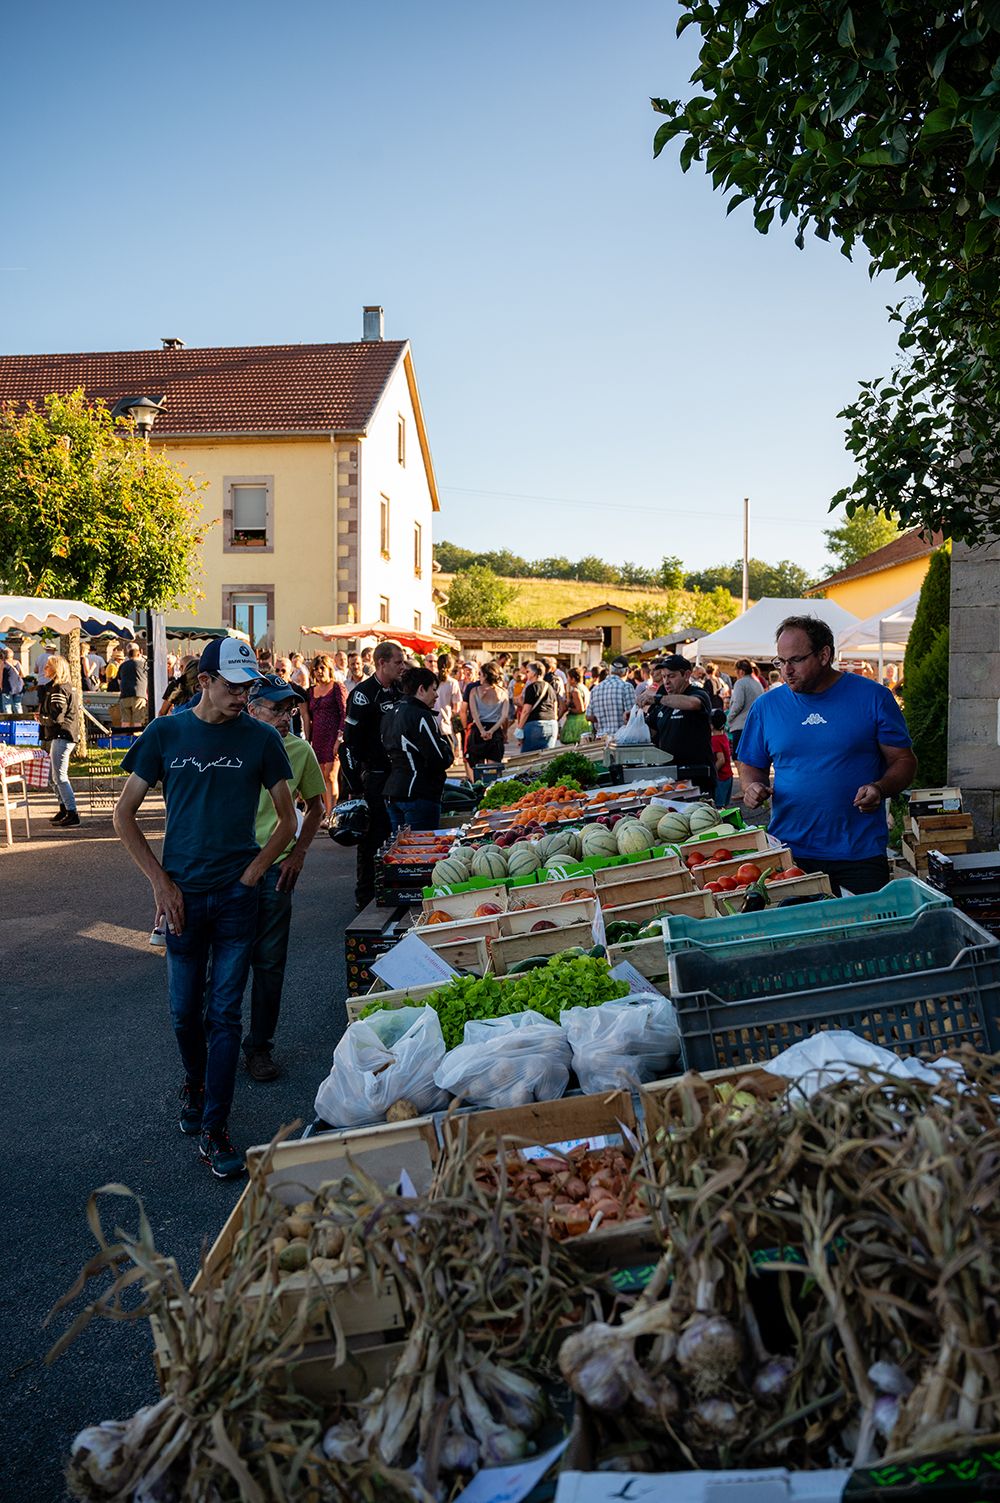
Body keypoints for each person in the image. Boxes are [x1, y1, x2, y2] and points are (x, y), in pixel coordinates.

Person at [113, 637, 295, 1179]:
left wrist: (253, 874)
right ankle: (194, 1084)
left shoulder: (262, 738)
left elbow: (288, 818)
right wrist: (160, 883)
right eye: (233, 686)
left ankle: (216, 1128)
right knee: (182, 1012)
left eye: (248, 687)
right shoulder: (166, 733)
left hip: (238, 898)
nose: (242, 696)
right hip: (182, 899)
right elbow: (124, 814)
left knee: (225, 1015)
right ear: (205, 682)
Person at [737, 614, 916, 895]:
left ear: (824, 655)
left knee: (865, 923)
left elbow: (903, 761)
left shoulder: (873, 697)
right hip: (789, 852)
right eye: (780, 662)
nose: (787, 671)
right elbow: (750, 764)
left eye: (796, 660)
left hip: (859, 854)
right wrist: (752, 786)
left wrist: (880, 788)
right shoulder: (766, 707)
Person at [243, 674, 326, 1081]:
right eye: (276, 709)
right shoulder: (232, 745)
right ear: (252, 709)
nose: (285, 717)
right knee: (223, 963)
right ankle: (215, 1046)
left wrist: (300, 854)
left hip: (276, 870)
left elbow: (316, 806)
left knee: (270, 963)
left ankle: (260, 1046)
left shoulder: (299, 749)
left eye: (290, 709)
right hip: (230, 869)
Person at [340, 639, 405, 908]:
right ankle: (365, 895)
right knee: (372, 838)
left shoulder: (401, 690)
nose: (403, 667)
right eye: (398, 662)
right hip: (375, 776)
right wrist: (355, 786)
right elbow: (348, 745)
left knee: (398, 834)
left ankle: (395, 888)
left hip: (398, 774)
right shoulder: (363, 694)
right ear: (382, 663)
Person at [383, 666, 454, 830]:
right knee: (421, 844)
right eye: (434, 689)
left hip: (394, 792)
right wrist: (446, 747)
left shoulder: (390, 714)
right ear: (421, 689)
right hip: (419, 794)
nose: (436, 695)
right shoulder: (420, 714)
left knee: (400, 845)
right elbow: (439, 758)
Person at [649, 653, 715, 794]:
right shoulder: (664, 702)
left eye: (671, 676)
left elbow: (693, 703)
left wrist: (657, 699)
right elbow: (651, 731)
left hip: (697, 777)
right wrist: (634, 721)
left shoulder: (698, 693)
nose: (666, 681)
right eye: (664, 676)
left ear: (686, 675)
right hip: (669, 778)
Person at [39, 653, 83, 827]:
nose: (45, 668)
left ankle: (72, 812)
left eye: (48, 666)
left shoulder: (59, 689)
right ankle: (64, 808)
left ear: (56, 669)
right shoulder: (62, 687)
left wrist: (42, 719)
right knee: (53, 776)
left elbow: (57, 717)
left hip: (62, 735)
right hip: (63, 735)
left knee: (60, 776)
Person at [301, 654, 346, 820]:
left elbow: (345, 713)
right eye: (316, 669)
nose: (319, 671)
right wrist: (307, 740)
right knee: (321, 778)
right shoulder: (311, 691)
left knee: (331, 775)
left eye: (322, 668)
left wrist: (340, 738)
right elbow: (307, 717)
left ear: (329, 669)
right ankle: (326, 814)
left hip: (334, 736)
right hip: (318, 737)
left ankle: (331, 815)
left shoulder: (337, 687)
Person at [465, 661, 509, 775]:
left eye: (480, 674)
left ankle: (478, 786)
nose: (479, 676)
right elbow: (504, 716)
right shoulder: (503, 692)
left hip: (478, 731)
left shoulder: (474, 691)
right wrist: (492, 731)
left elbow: (474, 713)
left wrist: (482, 731)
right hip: (495, 731)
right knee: (493, 770)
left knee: (477, 769)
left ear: (485, 676)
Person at [587, 657, 636, 739]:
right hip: (621, 739)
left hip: (601, 739)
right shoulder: (626, 687)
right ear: (626, 671)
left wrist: (601, 719)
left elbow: (588, 716)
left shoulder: (596, 689)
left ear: (610, 670)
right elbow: (632, 716)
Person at [517, 661, 560, 752]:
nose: (526, 674)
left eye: (528, 671)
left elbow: (526, 711)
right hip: (552, 724)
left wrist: (519, 728)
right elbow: (555, 709)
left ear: (534, 673)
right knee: (546, 757)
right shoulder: (550, 687)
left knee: (528, 756)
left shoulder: (531, 687)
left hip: (535, 724)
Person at [726, 660, 765, 759]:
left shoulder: (740, 683)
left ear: (741, 671)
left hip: (740, 725)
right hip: (755, 725)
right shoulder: (758, 683)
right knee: (750, 759)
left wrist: (729, 718)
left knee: (738, 758)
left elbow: (738, 703)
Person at [435, 653, 463, 758]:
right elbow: (456, 707)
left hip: (430, 721)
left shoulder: (431, 679)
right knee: (447, 756)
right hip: (445, 723)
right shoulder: (453, 683)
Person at [117, 642, 148, 730]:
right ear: (139, 654)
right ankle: (137, 737)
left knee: (125, 721)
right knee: (138, 721)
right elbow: (149, 678)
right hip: (139, 694)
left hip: (124, 695)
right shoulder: (144, 665)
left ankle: (124, 737)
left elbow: (119, 680)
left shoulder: (122, 665)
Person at [559, 667, 590, 744]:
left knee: (572, 744)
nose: (567, 680)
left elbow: (580, 709)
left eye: (568, 677)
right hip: (584, 720)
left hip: (576, 722)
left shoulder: (576, 691)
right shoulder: (584, 688)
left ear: (573, 679)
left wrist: (569, 708)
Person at [711, 709, 734, 809]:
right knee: (725, 806)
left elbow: (721, 760)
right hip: (728, 776)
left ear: (711, 725)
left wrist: (712, 772)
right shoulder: (724, 736)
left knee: (719, 807)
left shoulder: (714, 740)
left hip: (721, 778)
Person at [2, 648, 24, 715]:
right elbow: (23, 674)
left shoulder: (3, 664)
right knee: (18, 705)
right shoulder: (17, 662)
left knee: (7, 705)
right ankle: (20, 719)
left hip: (7, 686)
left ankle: (9, 720)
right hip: (18, 687)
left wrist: (1, 686)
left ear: (3, 655)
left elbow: (0, 676)